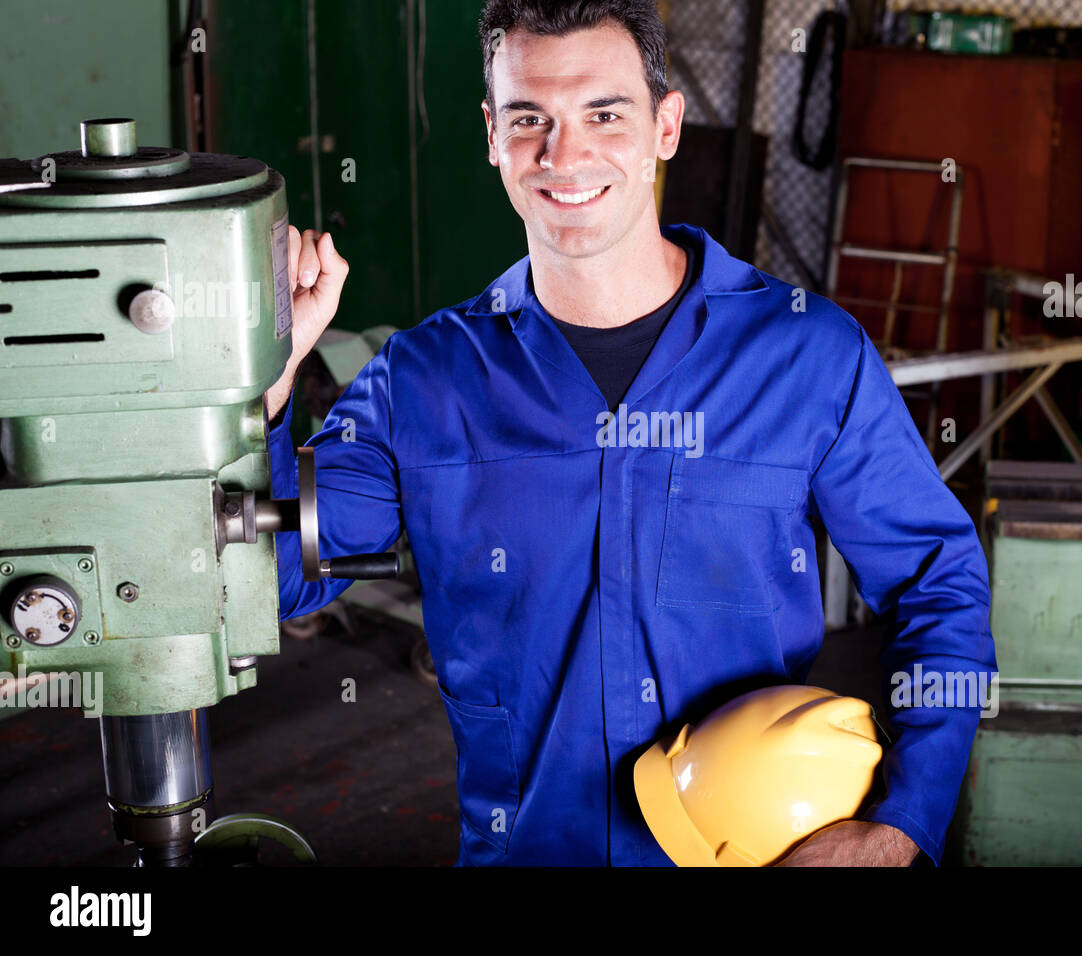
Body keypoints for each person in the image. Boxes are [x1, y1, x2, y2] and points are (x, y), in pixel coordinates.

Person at [266, 0, 996, 867]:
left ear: (666, 126)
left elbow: (938, 579)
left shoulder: (806, 356)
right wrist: (264, 383)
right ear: (493, 135)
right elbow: (275, 578)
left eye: (604, 114)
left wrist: (904, 821)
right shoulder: (422, 385)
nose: (564, 155)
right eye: (531, 118)